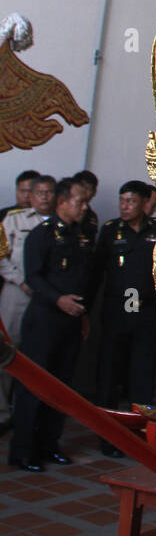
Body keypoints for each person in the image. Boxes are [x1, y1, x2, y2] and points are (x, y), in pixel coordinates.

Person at [8, 177, 92, 472]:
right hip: (44, 321)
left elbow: (83, 280)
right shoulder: (42, 235)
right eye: (80, 202)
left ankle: (49, 444)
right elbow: (34, 277)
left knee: (61, 387)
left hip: (70, 322)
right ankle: (23, 451)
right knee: (34, 387)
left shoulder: (80, 236)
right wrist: (58, 300)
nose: (85, 207)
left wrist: (82, 316)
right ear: (62, 203)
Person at [87, 180, 156, 457]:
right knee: (109, 374)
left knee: (141, 376)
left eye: (131, 201)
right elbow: (96, 273)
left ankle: (139, 434)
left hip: (145, 313)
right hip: (116, 312)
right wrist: (86, 310)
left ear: (144, 203)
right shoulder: (110, 231)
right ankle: (109, 436)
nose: (125, 206)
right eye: (122, 201)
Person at [0, 176, 57, 435]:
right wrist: (21, 282)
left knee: (36, 355)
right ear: (30, 196)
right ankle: (3, 412)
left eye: (49, 192)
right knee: (7, 350)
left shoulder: (61, 223)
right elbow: (2, 259)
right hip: (16, 292)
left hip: (48, 298)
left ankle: (28, 411)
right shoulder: (13, 219)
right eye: (39, 193)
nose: (44, 197)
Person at [74, 170, 99, 245]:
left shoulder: (92, 216)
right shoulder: (63, 209)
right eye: (83, 188)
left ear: (94, 192)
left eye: (89, 189)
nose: (85, 192)